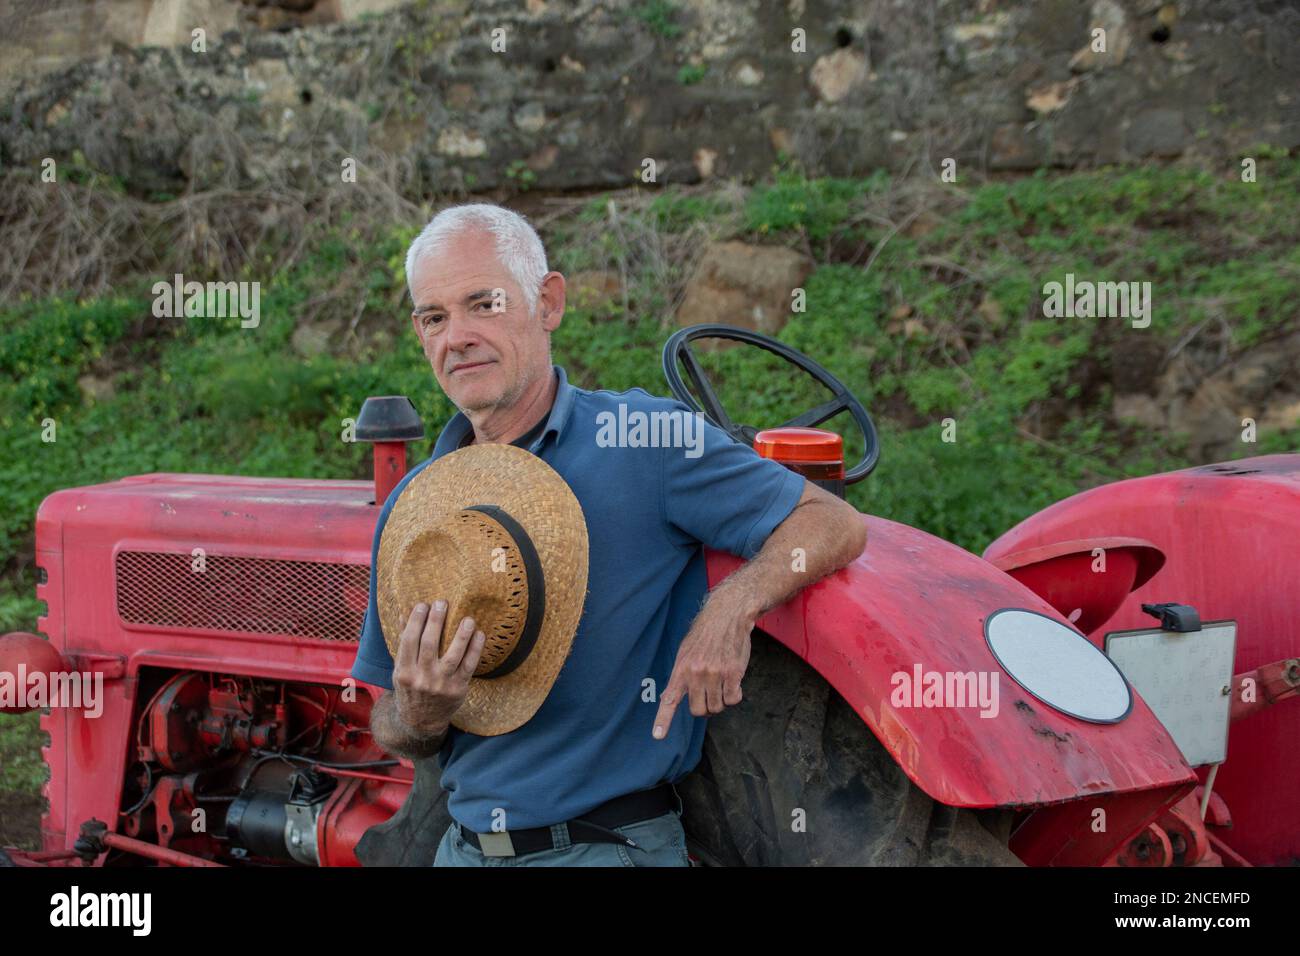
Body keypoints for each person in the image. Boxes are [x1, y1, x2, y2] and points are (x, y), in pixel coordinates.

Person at [350, 202, 867, 866]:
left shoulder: (644, 442)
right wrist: (419, 716)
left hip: (603, 849)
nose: (457, 337)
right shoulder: (416, 508)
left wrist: (732, 607)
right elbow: (390, 722)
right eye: (434, 317)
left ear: (548, 302)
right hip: (462, 850)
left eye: (483, 304)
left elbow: (831, 519)